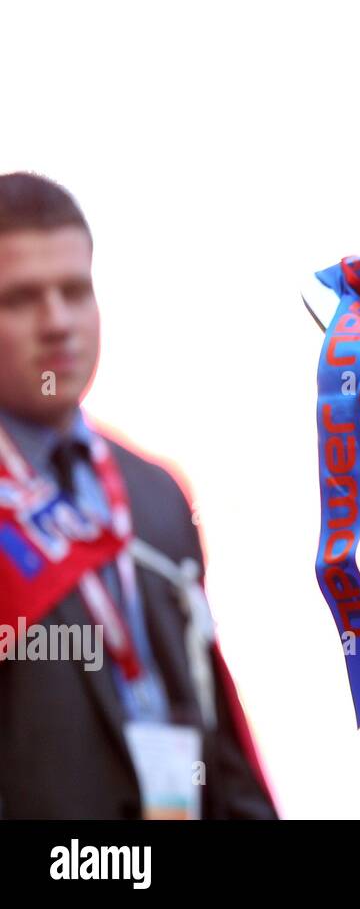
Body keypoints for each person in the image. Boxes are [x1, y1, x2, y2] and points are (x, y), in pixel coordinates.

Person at [0, 172, 275, 819]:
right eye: (20, 299)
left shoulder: (155, 493)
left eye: (75, 290)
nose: (58, 323)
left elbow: (216, 727)